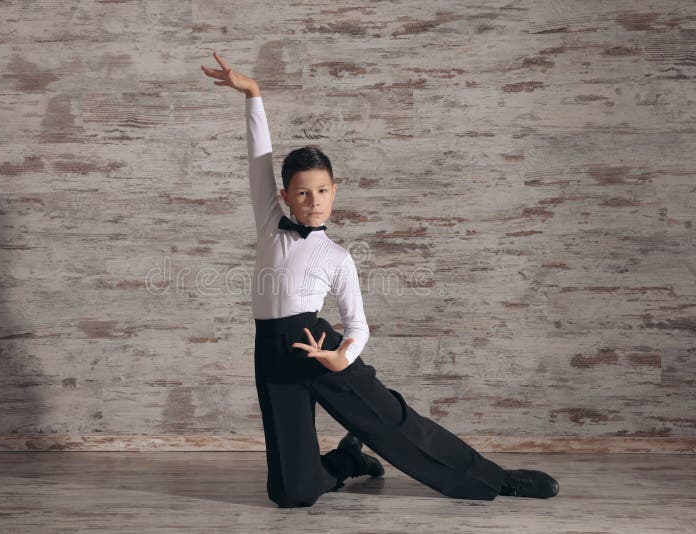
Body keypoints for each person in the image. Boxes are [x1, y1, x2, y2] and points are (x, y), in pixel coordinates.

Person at [200, 51, 560, 508]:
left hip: (321, 347)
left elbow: (358, 325)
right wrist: (253, 95)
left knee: (393, 424)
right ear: (285, 197)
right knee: (292, 494)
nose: (314, 200)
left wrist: (341, 356)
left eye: (323, 190)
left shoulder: (337, 257)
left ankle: (494, 478)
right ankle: (349, 461)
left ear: (335, 191)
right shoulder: (272, 225)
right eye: (303, 193)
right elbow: (259, 158)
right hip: (272, 354)